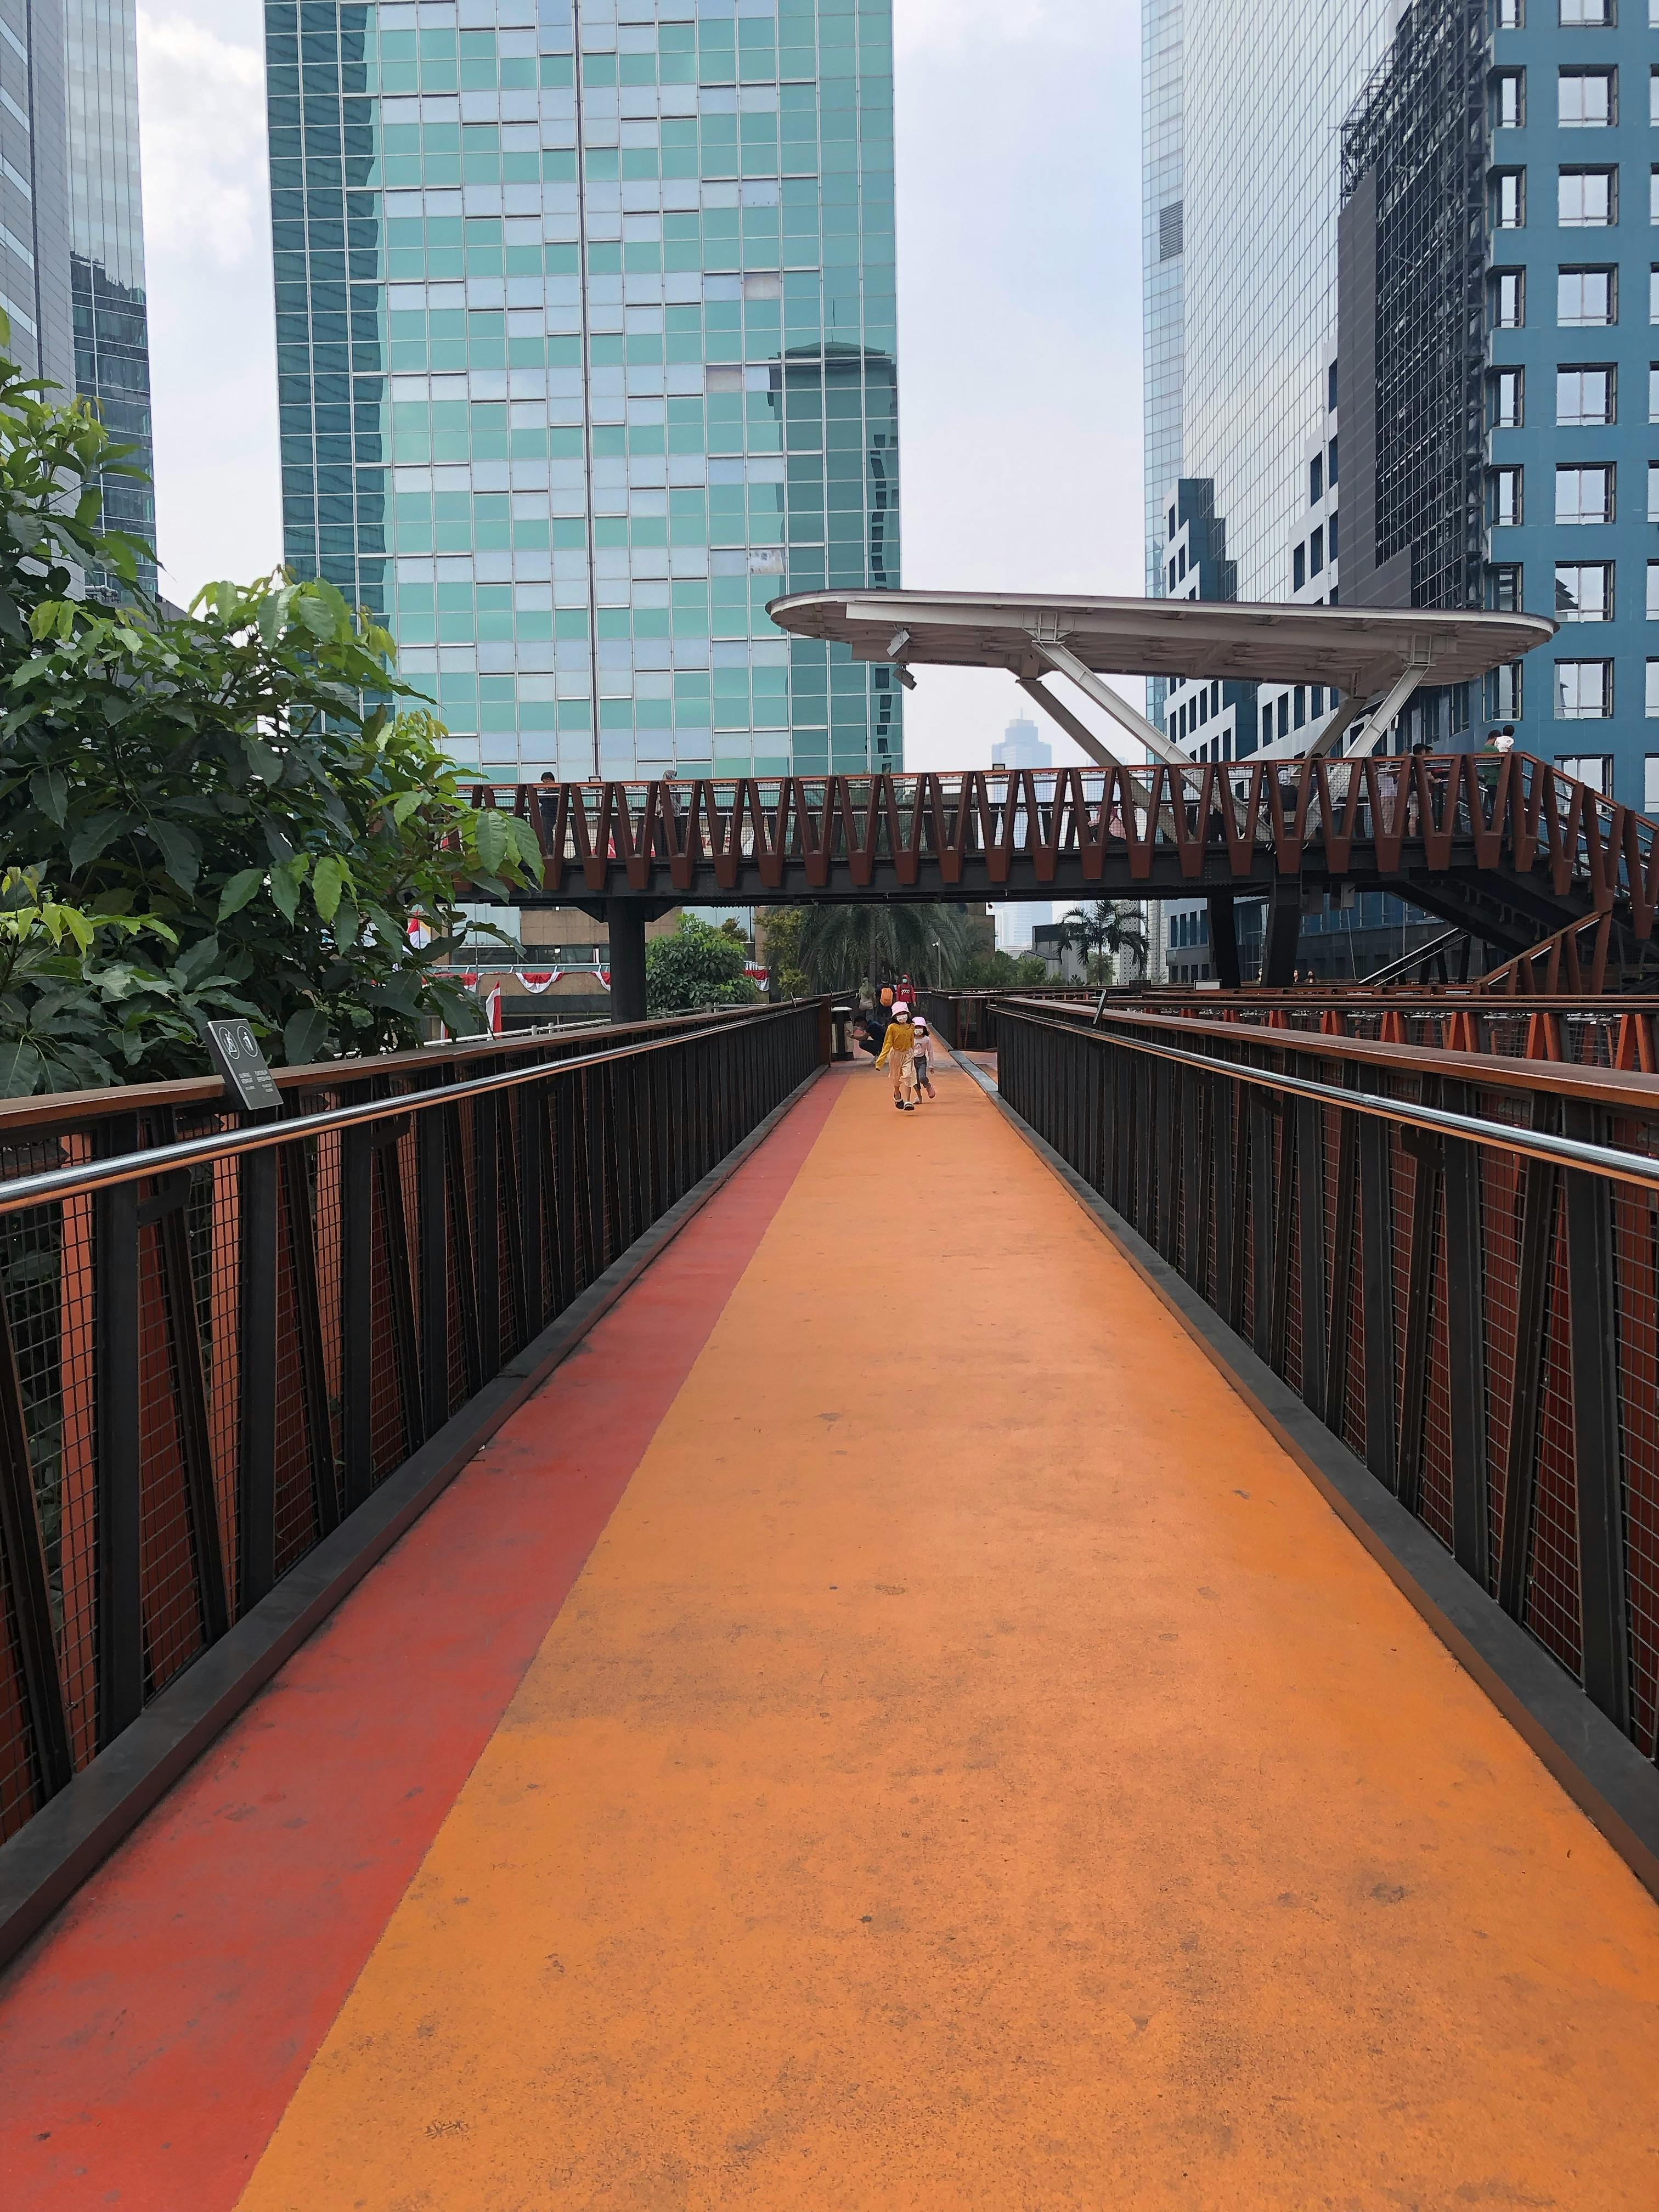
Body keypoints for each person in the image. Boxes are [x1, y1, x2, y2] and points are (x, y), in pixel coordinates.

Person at [875, 998, 918, 1110]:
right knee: (896, 1077)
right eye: (899, 1014)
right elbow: (887, 1044)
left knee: (908, 1076)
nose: (902, 1016)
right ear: (895, 1016)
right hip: (896, 1055)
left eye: (904, 1013)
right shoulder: (892, 1028)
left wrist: (913, 1053)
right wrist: (880, 1062)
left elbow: (911, 1041)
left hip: (908, 1054)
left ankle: (908, 1101)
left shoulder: (911, 1027)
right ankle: (897, 1093)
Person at [911, 1014, 936, 1101]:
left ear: (924, 1028)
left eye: (920, 1027)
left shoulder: (926, 1039)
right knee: (914, 1080)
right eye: (916, 1027)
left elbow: (930, 1051)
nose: (918, 1029)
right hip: (912, 1061)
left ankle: (928, 1086)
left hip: (922, 1061)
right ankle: (919, 1097)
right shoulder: (910, 1038)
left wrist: (932, 1065)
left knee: (921, 1077)